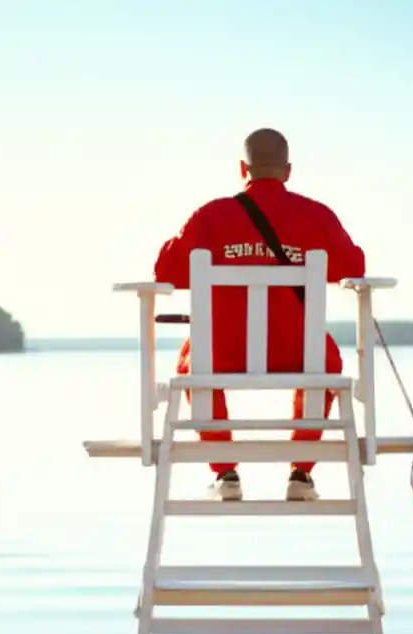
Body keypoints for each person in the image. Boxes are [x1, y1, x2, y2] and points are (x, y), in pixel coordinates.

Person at [152, 128, 367, 501]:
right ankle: (301, 471)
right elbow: (355, 267)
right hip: (300, 354)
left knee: (194, 360)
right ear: (288, 170)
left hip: (221, 355)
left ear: (242, 169)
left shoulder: (211, 216)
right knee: (324, 359)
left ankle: (225, 473)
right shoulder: (316, 216)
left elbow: (165, 271)